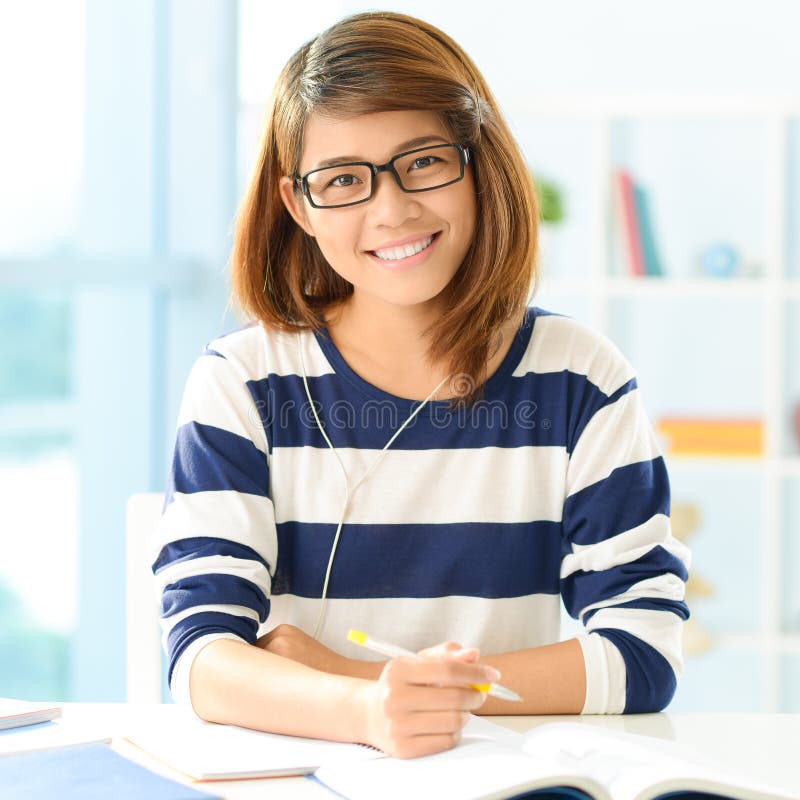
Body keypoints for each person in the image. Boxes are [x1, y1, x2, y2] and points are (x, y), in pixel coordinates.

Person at [152, 10, 691, 758]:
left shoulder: (579, 378)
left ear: (478, 163)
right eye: (342, 179)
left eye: (424, 162)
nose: (391, 208)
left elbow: (644, 652)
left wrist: (365, 685)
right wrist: (367, 713)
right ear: (297, 205)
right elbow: (201, 658)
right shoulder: (243, 384)